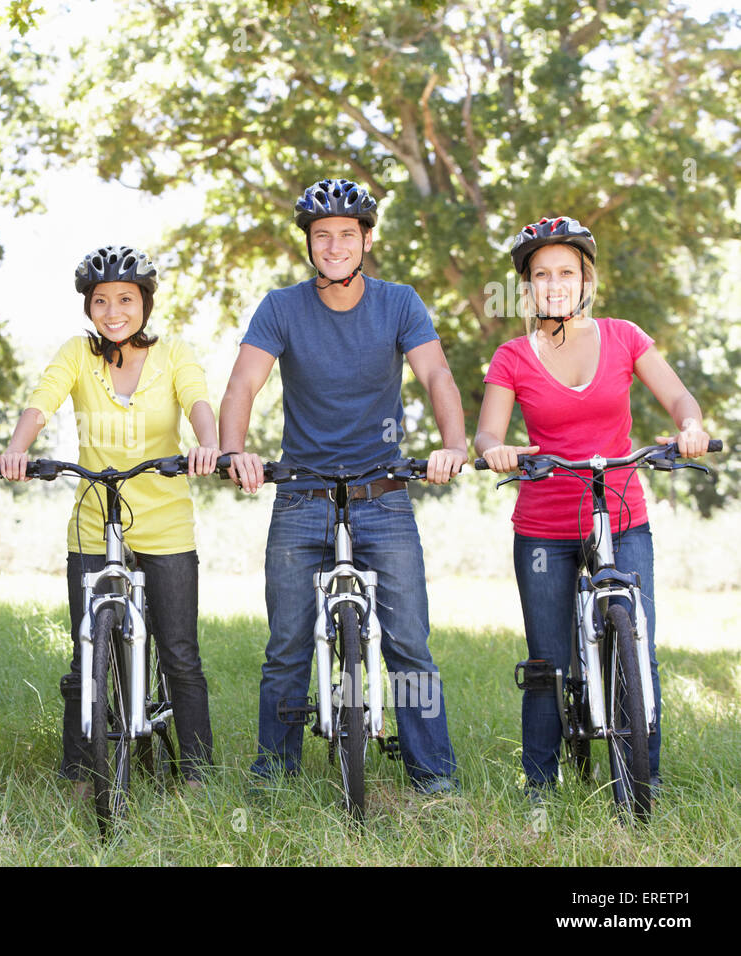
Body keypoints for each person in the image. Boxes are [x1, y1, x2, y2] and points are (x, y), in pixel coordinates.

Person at [219, 178, 463, 793]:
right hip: (301, 494)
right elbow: (243, 384)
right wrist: (234, 450)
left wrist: (453, 445)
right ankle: (274, 773)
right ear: (308, 243)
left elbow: (435, 374)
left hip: (383, 493)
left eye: (346, 235)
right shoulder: (281, 307)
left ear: (366, 240)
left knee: (409, 642)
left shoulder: (400, 302)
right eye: (322, 235)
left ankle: (432, 774)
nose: (334, 246)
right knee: (286, 647)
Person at [474, 215, 711, 796]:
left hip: (622, 511)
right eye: (541, 274)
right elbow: (486, 435)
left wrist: (690, 425)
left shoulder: (626, 337)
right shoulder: (512, 356)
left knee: (639, 647)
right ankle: (539, 787)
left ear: (585, 280)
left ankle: (643, 780)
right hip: (545, 524)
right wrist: (498, 451)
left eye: (566, 272)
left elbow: (679, 395)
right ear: (526, 287)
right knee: (548, 663)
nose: (554, 283)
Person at [0, 245, 219, 792]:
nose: (114, 311)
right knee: (86, 647)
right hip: (95, 520)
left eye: (125, 298)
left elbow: (197, 400)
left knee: (179, 652)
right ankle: (79, 770)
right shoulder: (77, 353)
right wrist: (17, 448)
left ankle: (195, 774)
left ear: (144, 302)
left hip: (166, 523)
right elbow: (41, 400)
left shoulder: (175, 354)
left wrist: (209, 445)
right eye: (101, 301)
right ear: (88, 308)